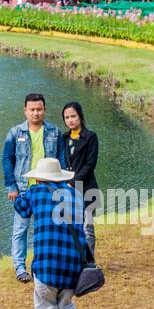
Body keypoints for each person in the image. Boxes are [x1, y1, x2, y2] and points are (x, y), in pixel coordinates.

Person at [12, 157, 89, 309]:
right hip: (73, 265)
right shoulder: (76, 195)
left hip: (46, 266)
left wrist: (30, 188)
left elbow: (20, 207)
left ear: (39, 178)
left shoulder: (35, 193)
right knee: (66, 306)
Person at [3, 93, 62, 282]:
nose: (35, 113)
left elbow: (61, 159)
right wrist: (11, 186)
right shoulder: (15, 133)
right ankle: (20, 268)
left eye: (39, 109)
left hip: (48, 188)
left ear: (45, 110)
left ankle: (40, 266)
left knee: (44, 229)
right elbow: (7, 159)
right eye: (32, 110)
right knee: (20, 229)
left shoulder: (54, 132)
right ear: (25, 111)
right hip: (23, 189)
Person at [59, 101, 100, 252]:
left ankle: (89, 261)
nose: (70, 120)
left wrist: (73, 182)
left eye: (73, 116)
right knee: (70, 228)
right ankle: (75, 260)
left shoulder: (90, 137)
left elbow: (90, 164)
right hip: (67, 190)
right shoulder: (63, 138)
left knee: (87, 227)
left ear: (80, 116)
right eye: (67, 117)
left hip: (87, 187)